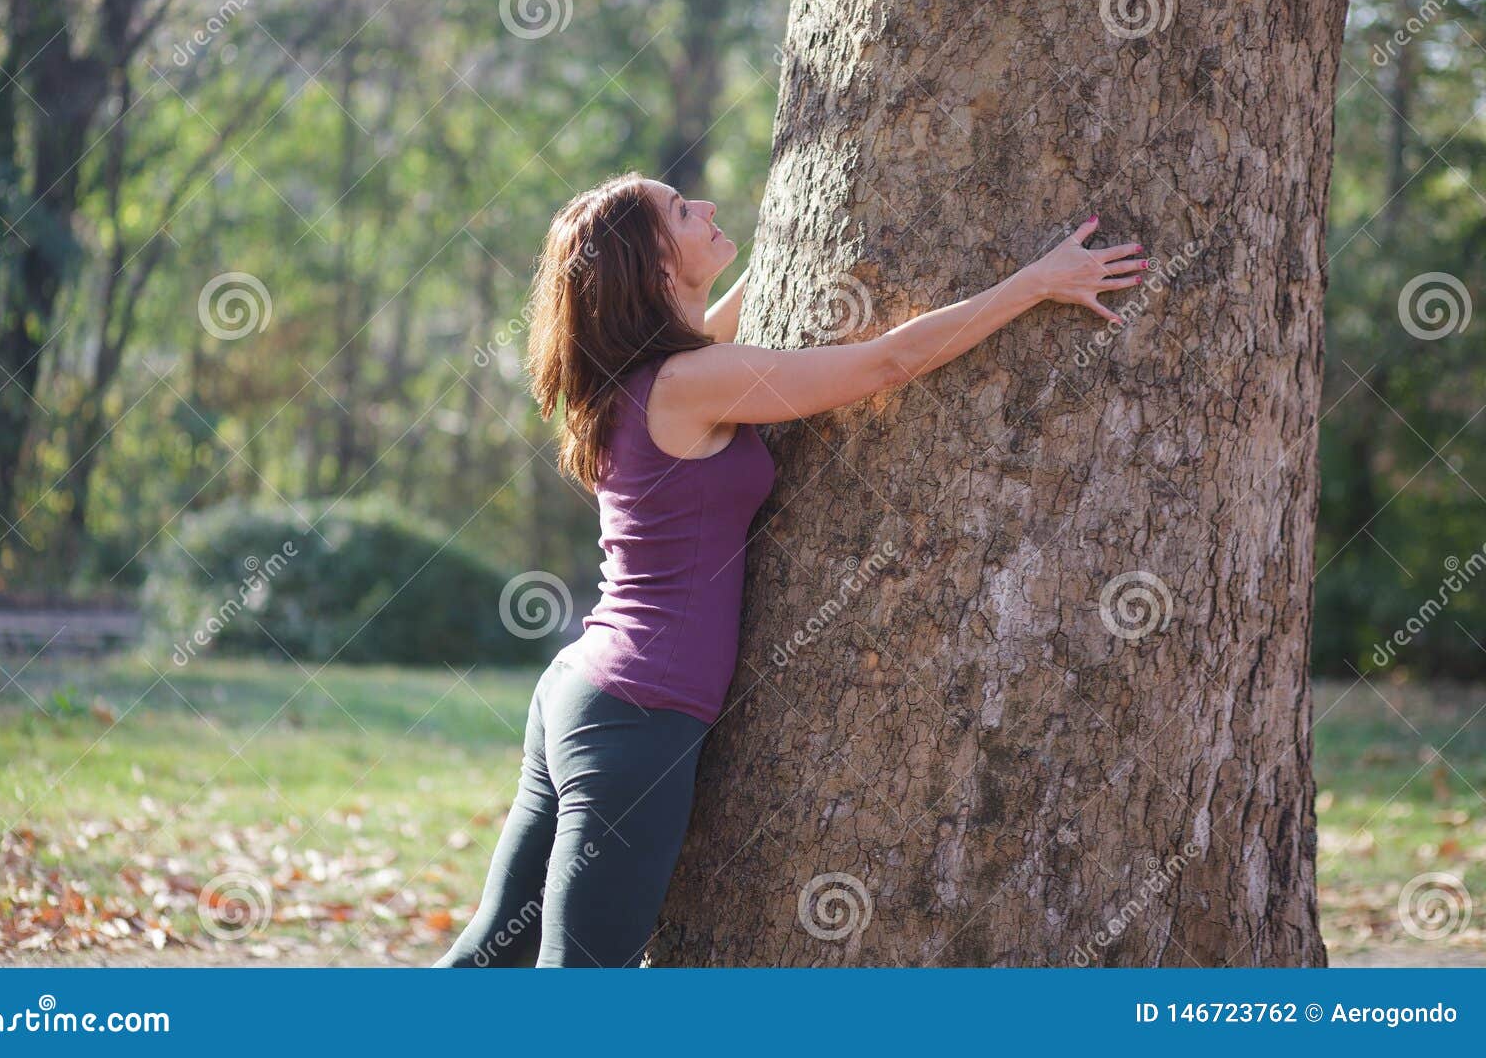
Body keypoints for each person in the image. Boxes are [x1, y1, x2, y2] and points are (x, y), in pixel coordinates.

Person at [433, 170, 1145, 967]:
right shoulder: (693, 382)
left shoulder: (641, 378)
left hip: (583, 693)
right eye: (681, 209)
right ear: (656, 265)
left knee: (486, 961)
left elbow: (717, 329)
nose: (705, 206)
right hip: (637, 715)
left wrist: (788, 222)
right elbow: (885, 364)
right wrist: (1036, 282)